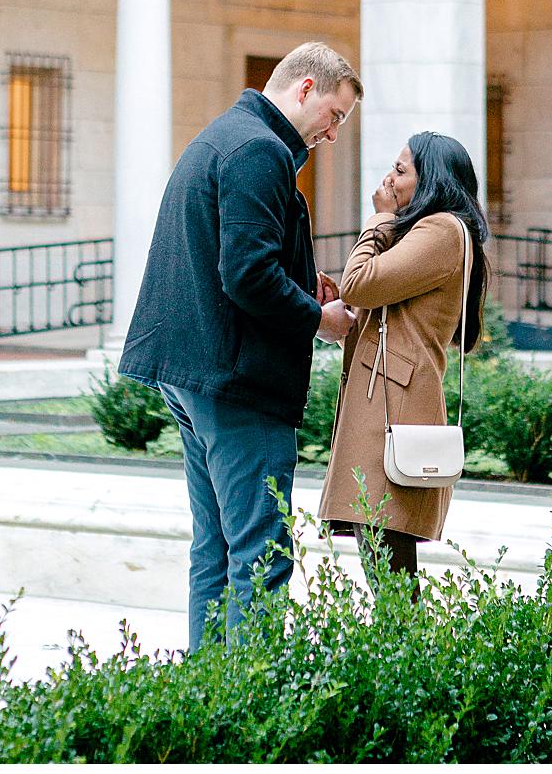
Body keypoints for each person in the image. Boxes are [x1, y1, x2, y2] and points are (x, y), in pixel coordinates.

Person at [119, 42, 362, 648]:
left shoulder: (223, 135)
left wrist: (304, 285)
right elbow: (248, 275)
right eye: (335, 116)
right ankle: (243, 713)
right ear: (305, 88)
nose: (332, 134)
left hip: (194, 371)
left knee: (218, 547)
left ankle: (209, 700)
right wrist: (320, 318)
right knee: (260, 551)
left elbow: (233, 263)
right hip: (236, 381)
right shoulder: (259, 148)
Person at [317, 132, 489, 593]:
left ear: (430, 180)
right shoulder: (430, 232)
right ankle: (406, 652)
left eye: (400, 170)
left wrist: (378, 220)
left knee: (385, 544)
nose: (389, 179)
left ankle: (410, 653)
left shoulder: (441, 230)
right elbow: (374, 299)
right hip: (387, 395)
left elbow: (361, 281)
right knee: (379, 540)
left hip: (394, 402)